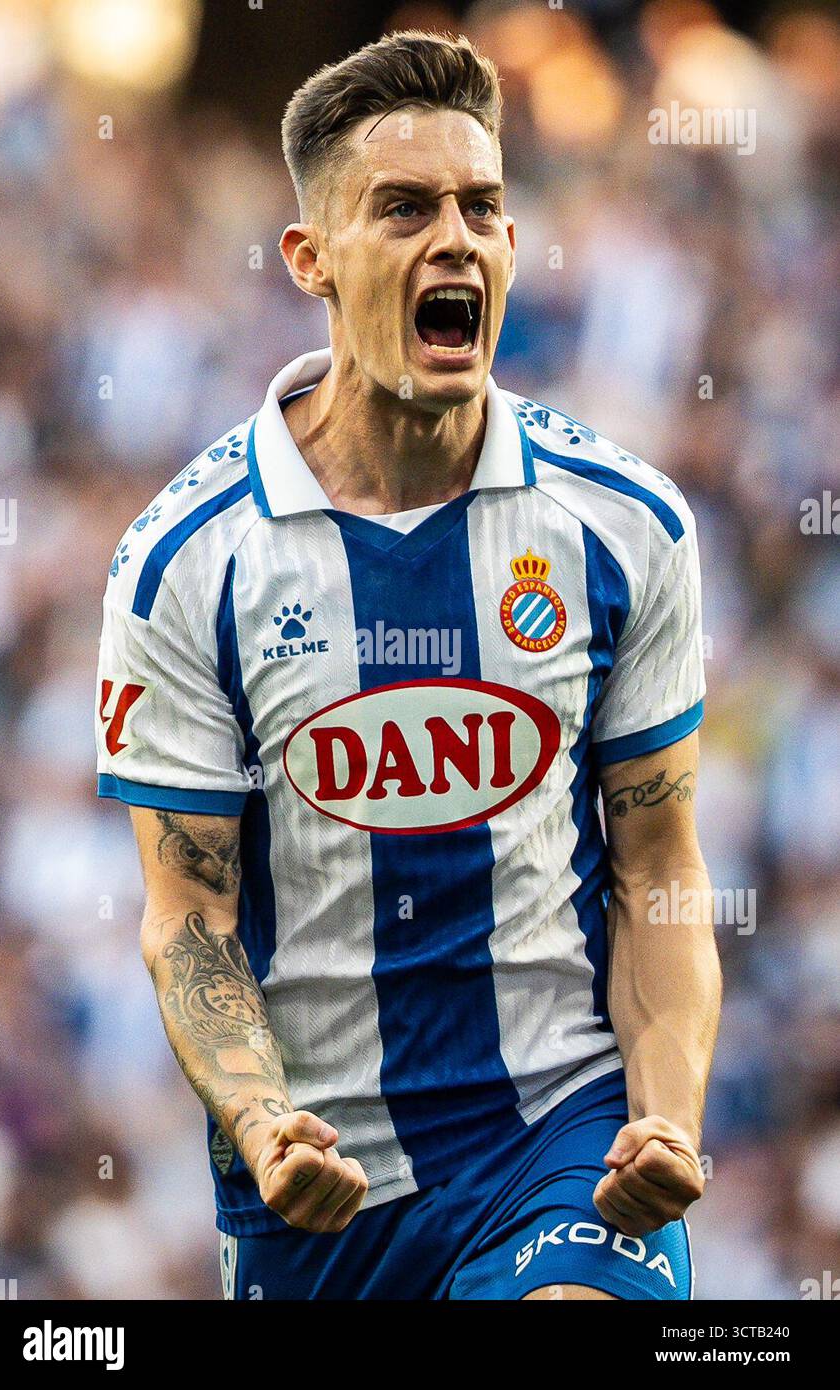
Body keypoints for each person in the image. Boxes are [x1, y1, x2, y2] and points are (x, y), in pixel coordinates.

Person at [95, 31, 720, 1301]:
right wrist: (265, 1119)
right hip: (316, 1186)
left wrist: (663, 1115)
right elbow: (191, 920)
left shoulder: (624, 524)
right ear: (310, 260)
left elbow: (658, 859)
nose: (458, 239)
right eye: (404, 208)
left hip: (558, 1140)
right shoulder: (184, 565)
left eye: (483, 207)